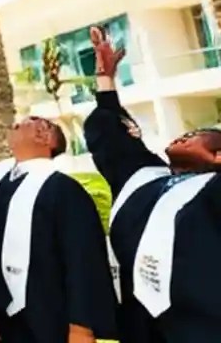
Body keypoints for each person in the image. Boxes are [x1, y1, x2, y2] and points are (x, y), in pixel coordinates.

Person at [83, 26, 220, 343]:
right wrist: (105, 81)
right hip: (144, 326)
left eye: (197, 136)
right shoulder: (146, 177)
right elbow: (109, 134)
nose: (184, 136)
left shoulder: (213, 190)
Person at [0, 111, 118, 343]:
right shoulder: (0, 185)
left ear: (45, 138)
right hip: (6, 319)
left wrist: (81, 326)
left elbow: (83, 261)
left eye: (32, 122)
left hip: (52, 315)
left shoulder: (65, 189)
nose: (18, 123)